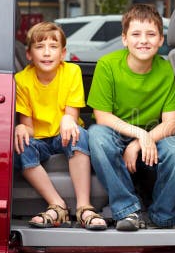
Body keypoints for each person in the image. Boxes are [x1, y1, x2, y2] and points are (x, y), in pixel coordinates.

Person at [87, 4, 175, 231]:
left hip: (155, 135)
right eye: (136, 34)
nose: (143, 40)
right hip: (117, 133)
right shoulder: (108, 65)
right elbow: (102, 117)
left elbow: (171, 123)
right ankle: (129, 211)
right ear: (124, 39)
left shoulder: (168, 70)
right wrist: (139, 135)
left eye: (151, 34)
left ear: (161, 40)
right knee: (96, 135)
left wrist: (139, 143)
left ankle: (163, 216)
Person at [14, 21, 106, 231]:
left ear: (63, 53)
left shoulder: (71, 72)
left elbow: (72, 116)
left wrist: (68, 119)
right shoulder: (22, 80)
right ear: (29, 54)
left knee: (79, 134)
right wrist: (21, 128)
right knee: (20, 147)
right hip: (39, 140)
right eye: (39, 47)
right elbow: (27, 126)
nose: (47, 53)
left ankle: (84, 207)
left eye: (53, 47)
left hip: (65, 134)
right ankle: (57, 205)